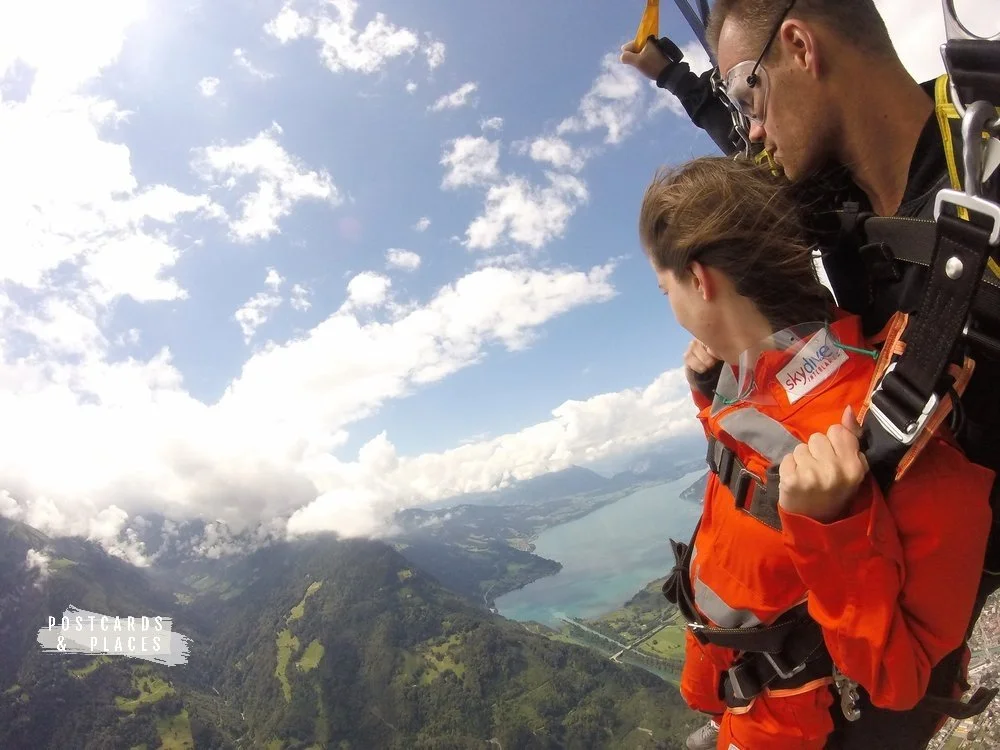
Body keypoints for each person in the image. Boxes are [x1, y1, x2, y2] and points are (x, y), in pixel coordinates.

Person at [624, 2, 1000, 744]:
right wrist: (673, 74)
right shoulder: (832, 192)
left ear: (800, 46)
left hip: (918, 582)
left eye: (749, 95)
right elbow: (738, 171)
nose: (753, 130)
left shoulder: (980, 192)